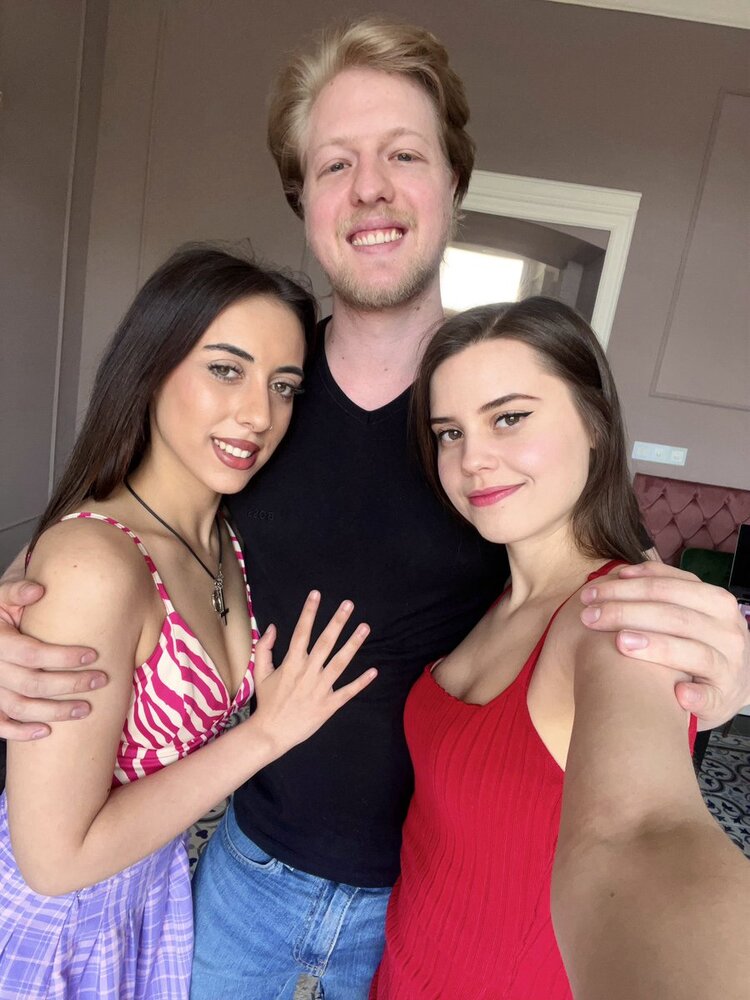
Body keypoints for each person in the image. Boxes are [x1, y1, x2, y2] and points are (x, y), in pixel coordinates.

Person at [0, 18, 748, 1000]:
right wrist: (24, 605)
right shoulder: (254, 403)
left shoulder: (507, 429)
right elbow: (130, 533)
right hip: (243, 868)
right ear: (303, 198)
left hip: (420, 895)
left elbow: (620, 661)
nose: (370, 189)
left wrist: (713, 669)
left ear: (454, 181)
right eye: (336, 163)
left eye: (404, 154)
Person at [0, 246, 376, 1000]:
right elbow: (55, 862)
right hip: (56, 932)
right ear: (151, 369)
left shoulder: (227, 533)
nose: (259, 415)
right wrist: (266, 734)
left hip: (149, 896)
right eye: (226, 370)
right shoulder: (96, 564)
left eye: (283, 385)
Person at [371, 297, 750, 999]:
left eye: (509, 417)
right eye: (450, 432)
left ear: (595, 425)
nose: (472, 459)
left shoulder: (617, 620)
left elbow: (642, 832)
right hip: (401, 971)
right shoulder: (495, 594)